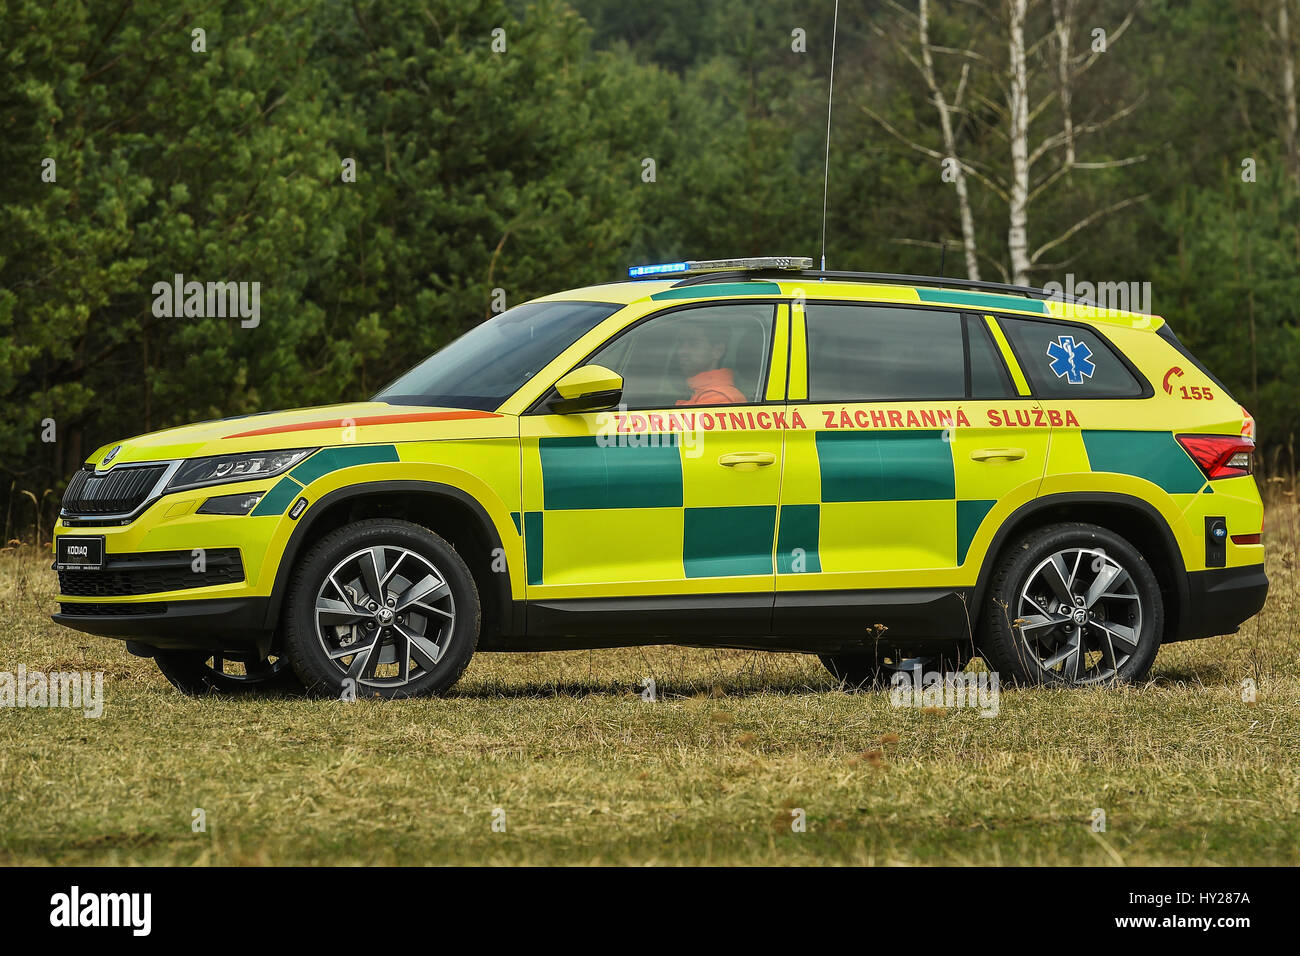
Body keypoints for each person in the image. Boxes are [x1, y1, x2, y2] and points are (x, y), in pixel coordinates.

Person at [674, 325, 746, 405]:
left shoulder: (718, 397)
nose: (681, 351)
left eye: (693, 344)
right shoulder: (697, 391)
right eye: (680, 344)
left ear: (718, 351)